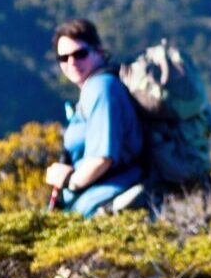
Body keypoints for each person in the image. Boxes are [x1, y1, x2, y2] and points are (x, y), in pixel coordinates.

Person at [44, 18, 146, 216]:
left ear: (98, 51)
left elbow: (102, 158)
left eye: (80, 54)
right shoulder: (99, 87)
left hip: (109, 200)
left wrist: (69, 181)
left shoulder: (101, 88)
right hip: (101, 196)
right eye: (63, 58)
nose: (71, 62)